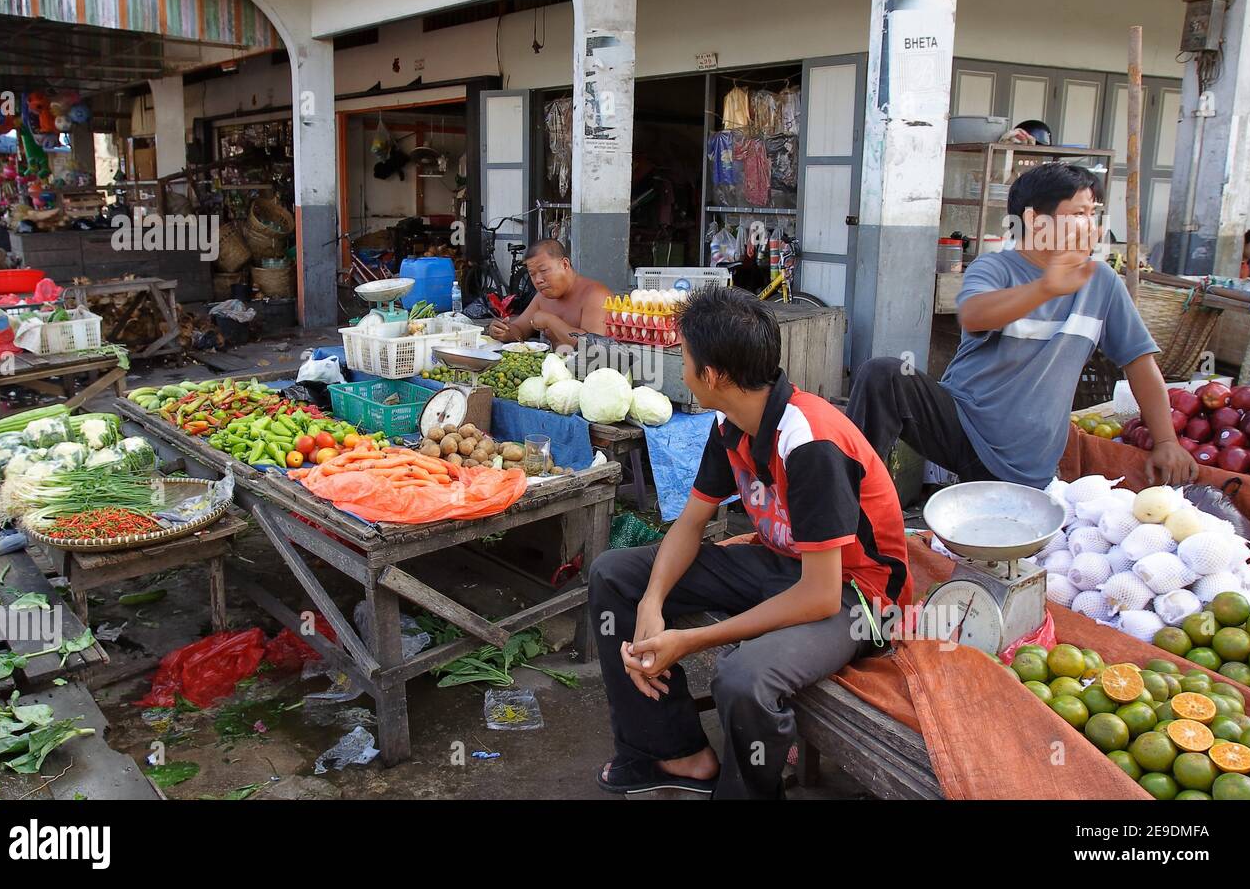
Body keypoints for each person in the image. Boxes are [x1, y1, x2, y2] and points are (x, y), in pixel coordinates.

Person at [588, 287, 911, 799]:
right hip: (780, 561)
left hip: (857, 596)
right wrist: (652, 601)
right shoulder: (731, 421)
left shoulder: (810, 442)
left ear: (711, 376)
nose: (682, 367)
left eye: (685, 358)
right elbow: (691, 523)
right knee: (615, 575)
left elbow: (821, 596)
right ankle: (673, 752)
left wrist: (689, 641)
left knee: (742, 680)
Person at [847, 162, 1197, 490]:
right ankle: (847, 499)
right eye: (1078, 213)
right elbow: (974, 314)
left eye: (1094, 214)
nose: (1091, 224)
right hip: (963, 424)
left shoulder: (1101, 281)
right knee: (885, 374)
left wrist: (1166, 441)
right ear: (1035, 220)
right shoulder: (995, 269)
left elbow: (1139, 363)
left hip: (1030, 459)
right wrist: (1045, 288)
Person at [485, 239, 608, 350]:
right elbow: (520, 330)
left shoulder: (595, 295)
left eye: (544, 270)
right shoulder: (542, 297)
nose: (538, 280)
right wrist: (503, 331)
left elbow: (594, 346)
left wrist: (550, 321)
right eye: (532, 274)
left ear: (565, 264)